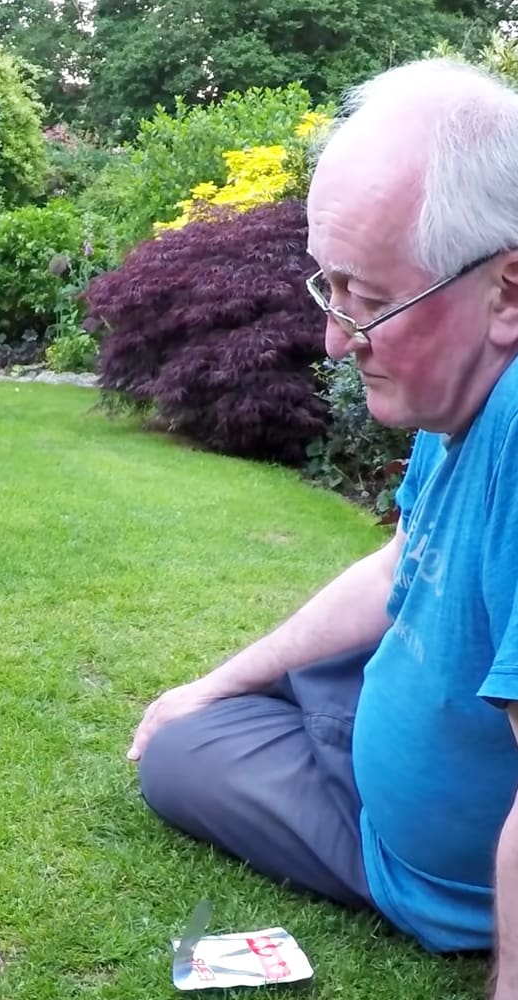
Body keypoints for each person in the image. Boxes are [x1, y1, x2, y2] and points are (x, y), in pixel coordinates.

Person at [127, 56, 518, 998]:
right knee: (242, 693)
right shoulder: (459, 393)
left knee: (180, 760)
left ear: (507, 291)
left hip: (421, 869)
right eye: (329, 289)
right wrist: (208, 683)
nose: (338, 339)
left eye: (371, 301)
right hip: (407, 734)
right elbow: (402, 567)